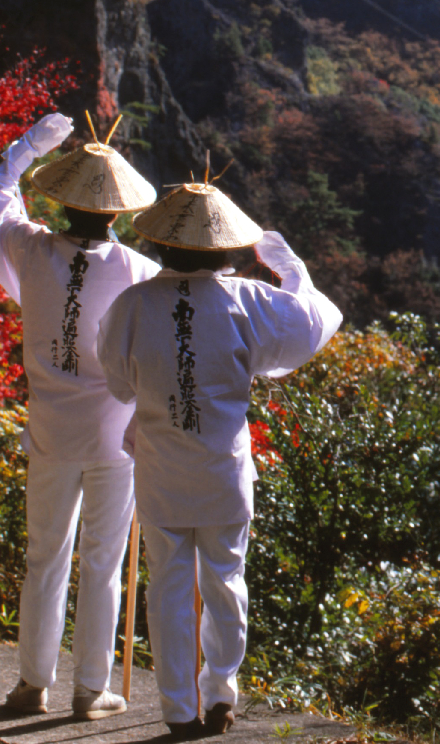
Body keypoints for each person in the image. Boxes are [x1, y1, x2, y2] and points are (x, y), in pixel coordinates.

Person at [96, 182, 343, 738]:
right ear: (227, 249)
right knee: (226, 582)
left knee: (168, 587)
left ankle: (177, 708)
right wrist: (290, 267)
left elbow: (117, 385)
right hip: (225, 470)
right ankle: (221, 697)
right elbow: (312, 321)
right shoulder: (246, 301)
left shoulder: (131, 305)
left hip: (160, 468)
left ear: (161, 244)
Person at [0, 110, 159, 721]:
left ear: (62, 204)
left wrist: (22, 152)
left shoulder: (31, 247)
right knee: (103, 563)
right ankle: (89, 688)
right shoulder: (137, 273)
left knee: (44, 558)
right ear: (117, 212)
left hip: (49, 430)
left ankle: (30, 684)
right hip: (114, 436)